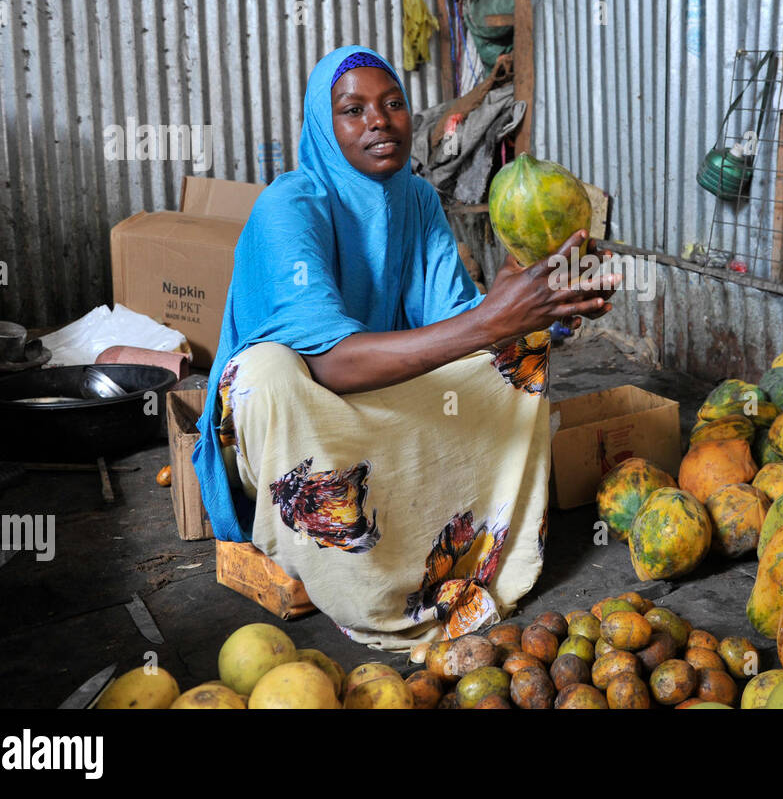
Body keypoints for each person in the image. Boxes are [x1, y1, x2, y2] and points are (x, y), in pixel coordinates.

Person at [192, 45, 616, 649]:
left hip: (382, 400)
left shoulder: (415, 199)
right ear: (323, 124)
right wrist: (488, 322)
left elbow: (462, 324)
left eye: (392, 104)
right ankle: (348, 562)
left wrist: (539, 310)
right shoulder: (289, 205)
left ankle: (446, 540)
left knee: (513, 357)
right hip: (303, 417)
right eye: (353, 109)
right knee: (268, 370)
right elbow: (332, 363)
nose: (378, 120)